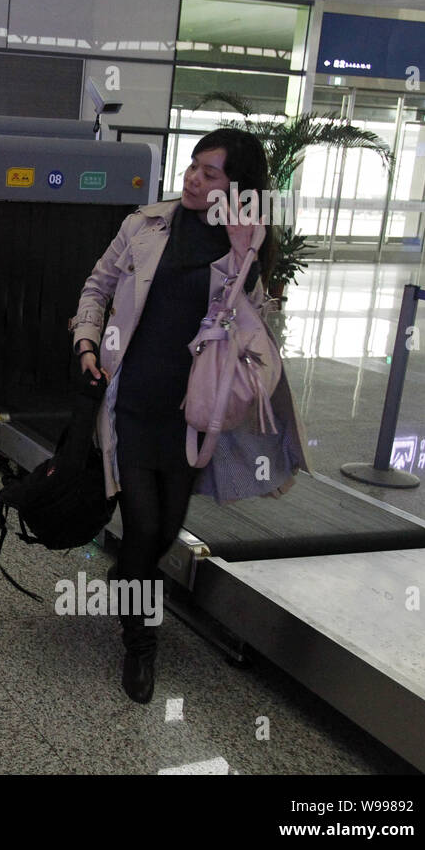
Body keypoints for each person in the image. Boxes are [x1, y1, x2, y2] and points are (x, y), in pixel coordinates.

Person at [70, 127, 307, 704]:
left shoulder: (245, 245)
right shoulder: (145, 224)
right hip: (131, 399)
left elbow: (258, 329)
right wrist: (85, 343)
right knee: (145, 525)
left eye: (211, 173)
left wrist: (249, 257)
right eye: (193, 167)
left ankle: (128, 581)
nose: (194, 179)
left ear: (238, 187)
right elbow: (98, 287)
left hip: (193, 413)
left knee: (167, 528)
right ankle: (139, 645)